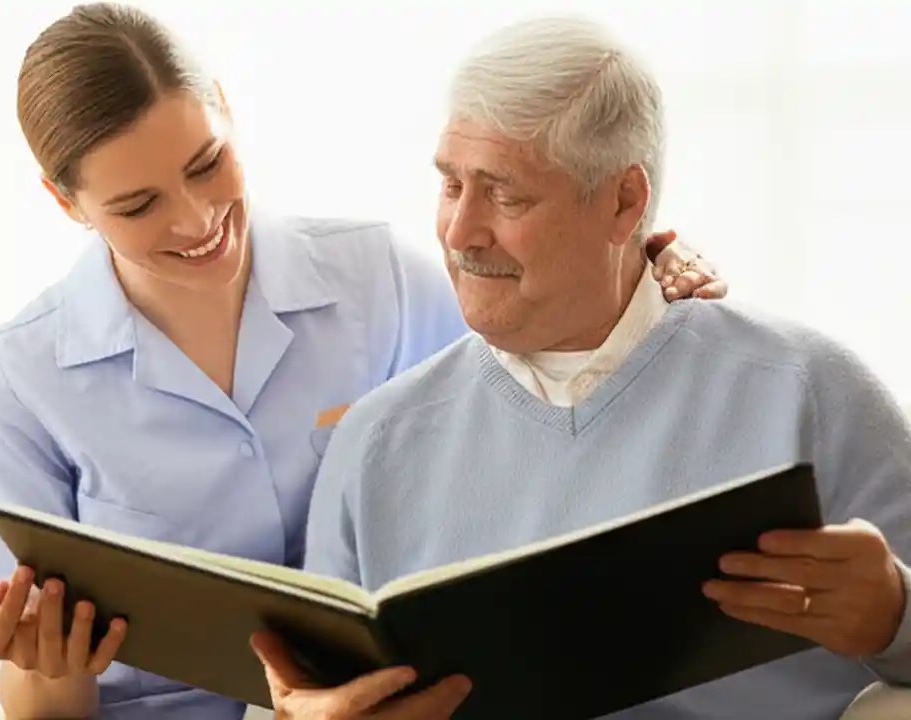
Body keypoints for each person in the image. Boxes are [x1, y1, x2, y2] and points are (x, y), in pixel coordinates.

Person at [0, 4, 727, 719]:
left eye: (207, 163)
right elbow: (39, 704)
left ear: (224, 105)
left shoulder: (375, 277)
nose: (198, 218)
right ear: (65, 202)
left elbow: (539, 363)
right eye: (138, 206)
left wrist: (642, 267)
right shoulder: (13, 380)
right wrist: (48, 667)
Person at [268, 15, 911, 720]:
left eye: (505, 194)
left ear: (624, 201)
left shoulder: (807, 393)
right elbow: (293, 701)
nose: (459, 232)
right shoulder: (377, 441)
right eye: (452, 185)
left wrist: (895, 615)